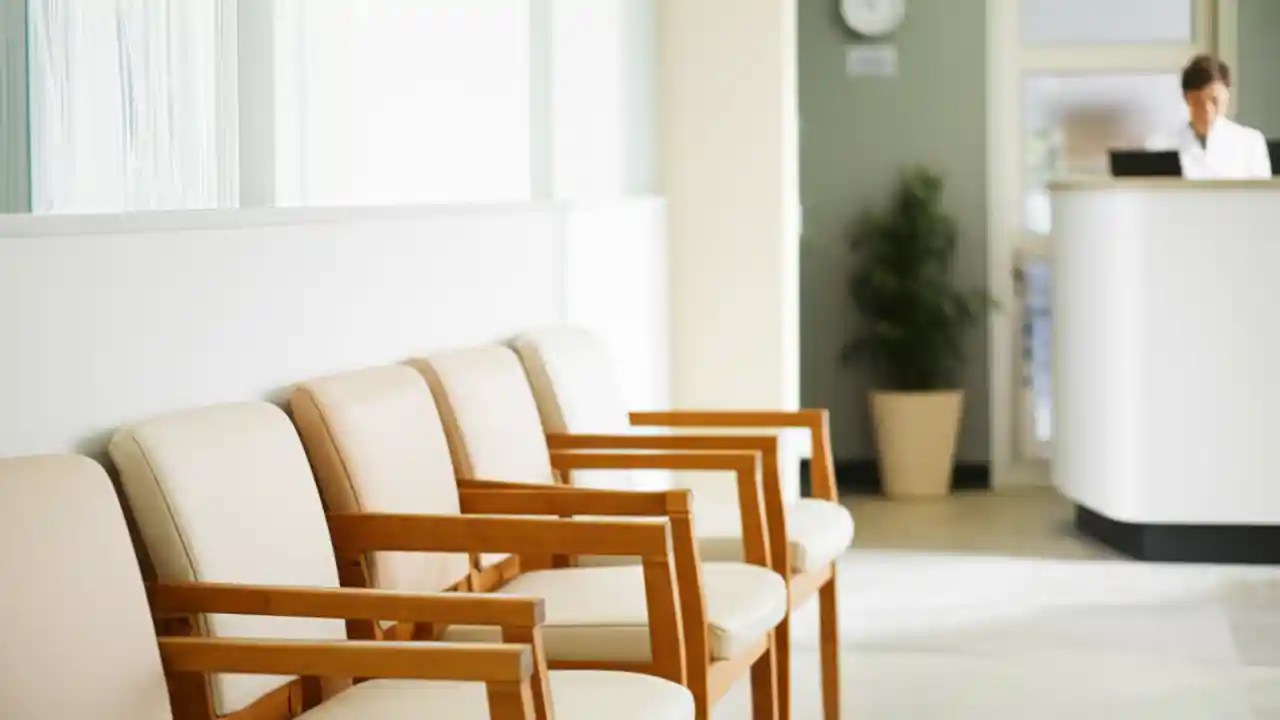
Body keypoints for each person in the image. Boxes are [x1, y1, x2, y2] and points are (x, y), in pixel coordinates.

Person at [1151, 55, 1271, 179]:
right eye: (1199, 102)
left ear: (1227, 96)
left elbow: (1261, 195)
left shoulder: (1250, 142)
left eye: (1215, 101)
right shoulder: (1163, 145)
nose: (1208, 109)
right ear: (1187, 98)